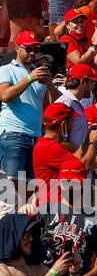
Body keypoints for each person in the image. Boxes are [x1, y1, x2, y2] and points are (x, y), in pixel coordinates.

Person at [0, 33, 52, 177]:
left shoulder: (38, 71)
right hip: (13, 134)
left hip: (36, 136)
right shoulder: (6, 69)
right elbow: (5, 96)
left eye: (36, 49)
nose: (33, 53)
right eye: (28, 48)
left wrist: (51, 86)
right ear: (17, 48)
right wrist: (30, 78)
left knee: (31, 189)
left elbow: (53, 103)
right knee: (12, 188)